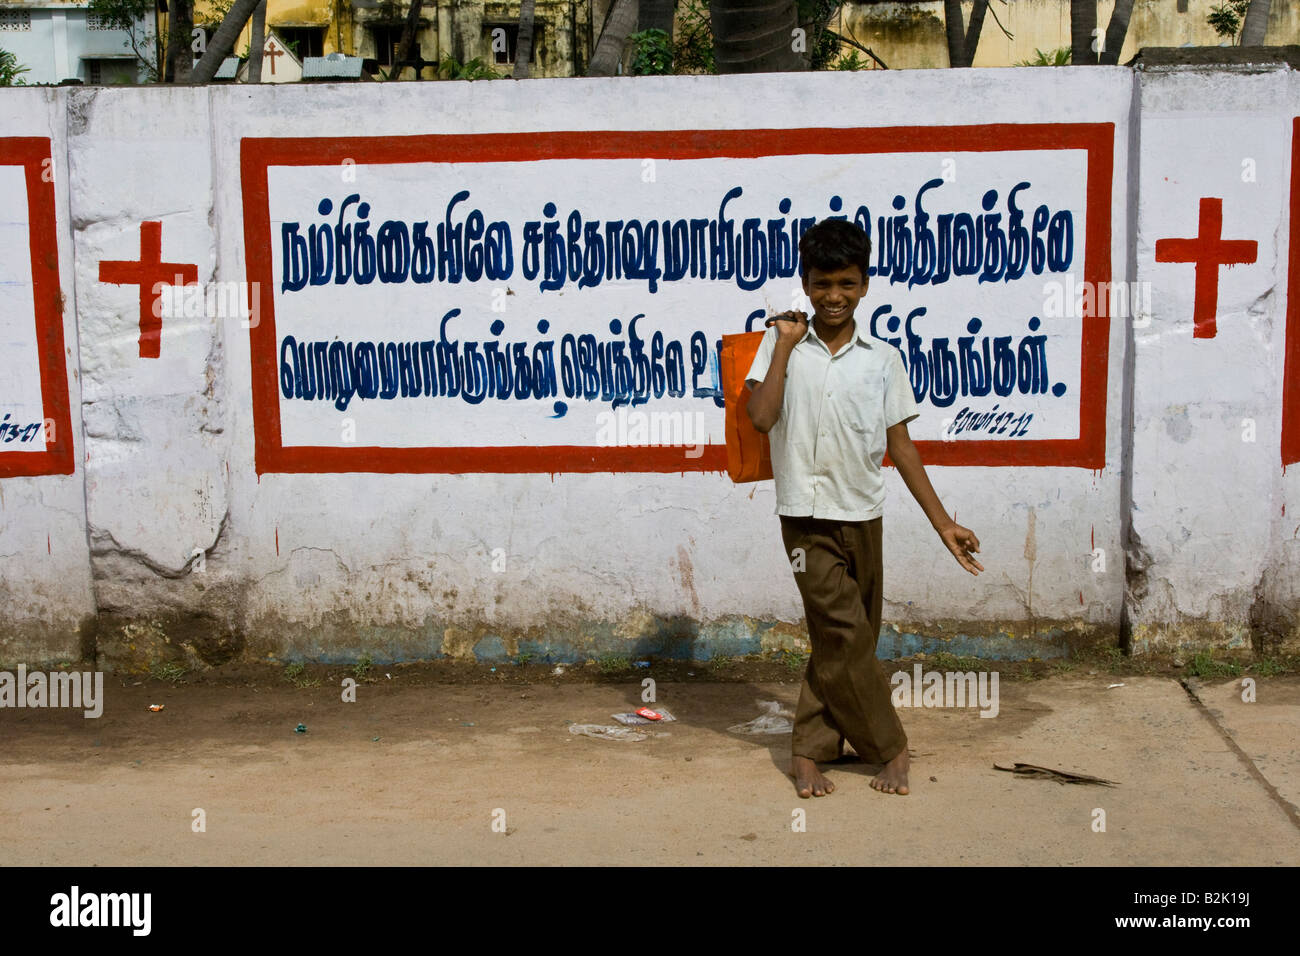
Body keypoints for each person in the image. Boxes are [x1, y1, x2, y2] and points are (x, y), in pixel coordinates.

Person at [744, 218, 983, 798]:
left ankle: (811, 748)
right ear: (805, 283)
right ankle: (890, 748)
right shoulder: (782, 348)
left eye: (846, 283)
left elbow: (901, 446)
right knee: (845, 633)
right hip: (804, 518)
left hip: (864, 516)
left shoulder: (883, 359)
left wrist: (943, 523)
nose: (833, 296)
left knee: (847, 638)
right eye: (822, 283)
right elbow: (761, 417)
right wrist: (781, 343)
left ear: (865, 285)